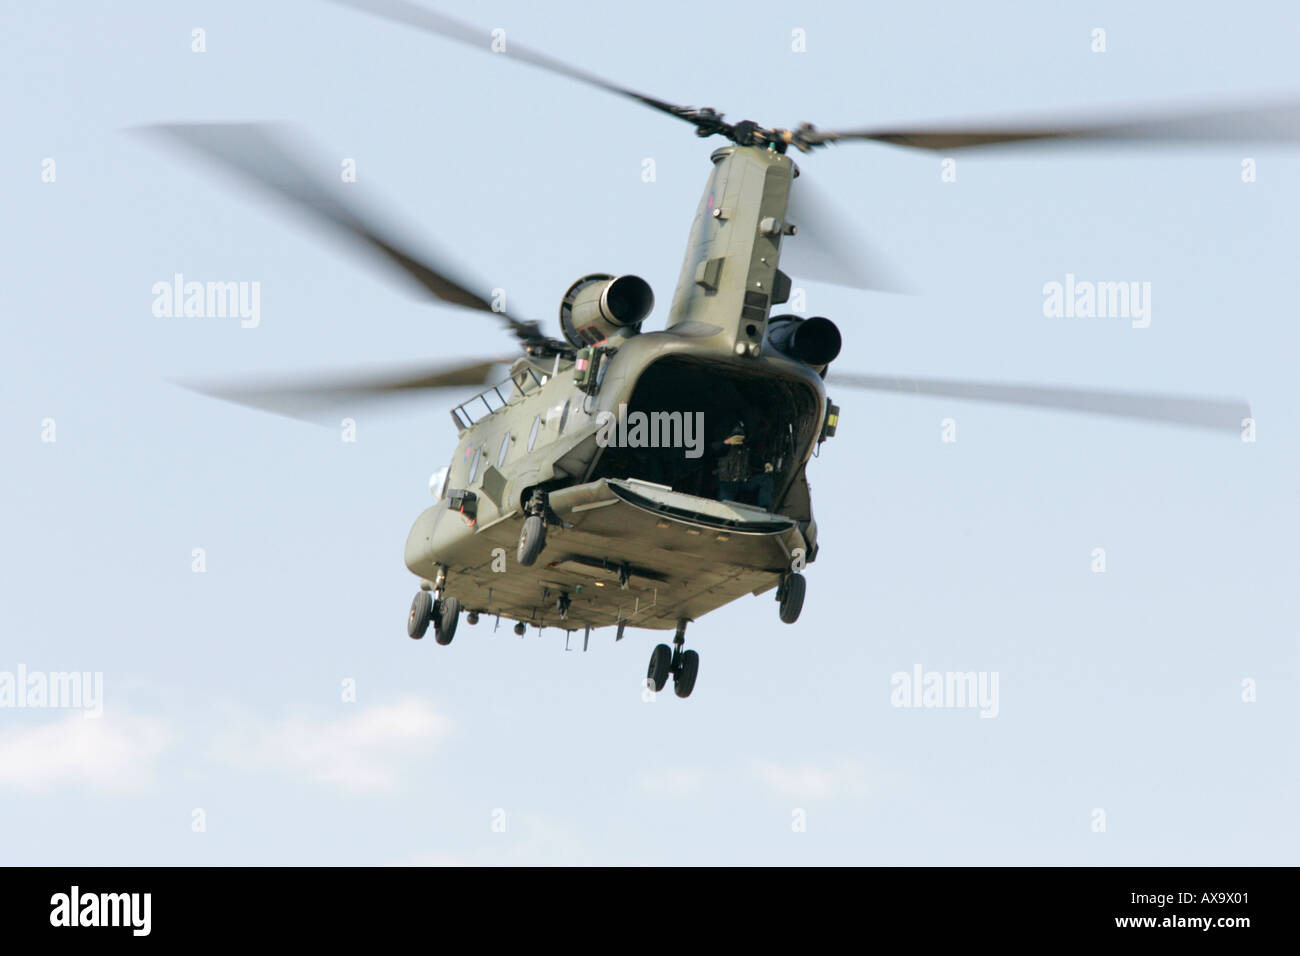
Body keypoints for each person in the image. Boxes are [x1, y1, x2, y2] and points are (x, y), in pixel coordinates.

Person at [714, 421, 774, 509]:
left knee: (766, 479)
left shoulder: (746, 450)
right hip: (727, 483)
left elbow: (756, 460)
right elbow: (713, 449)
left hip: (744, 482)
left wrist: (765, 464)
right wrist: (727, 442)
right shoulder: (724, 448)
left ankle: (764, 506)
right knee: (723, 507)